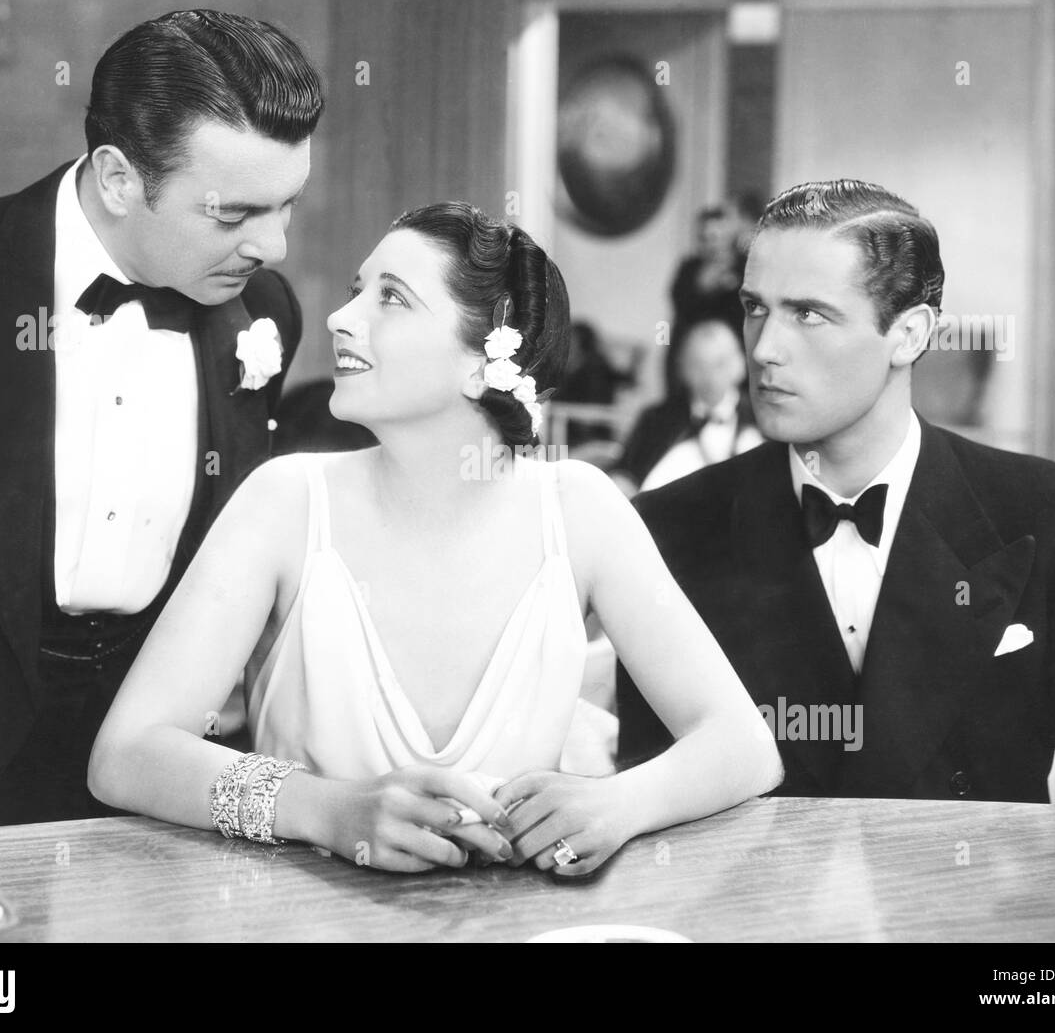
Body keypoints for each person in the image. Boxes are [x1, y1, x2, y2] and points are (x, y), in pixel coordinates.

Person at [89, 203, 783, 875]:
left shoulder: (579, 510)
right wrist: (324, 810)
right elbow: (126, 754)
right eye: (358, 290)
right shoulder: (286, 501)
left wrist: (616, 804)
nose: (339, 317)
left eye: (390, 298)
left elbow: (745, 746)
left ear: (483, 362)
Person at [0, 9, 324, 837]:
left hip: (150, 768)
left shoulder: (265, 314)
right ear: (117, 177)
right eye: (234, 215)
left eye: (287, 206)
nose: (275, 246)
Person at [617, 179, 1055, 809]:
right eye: (755, 308)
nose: (764, 350)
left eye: (809, 314)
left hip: (982, 901)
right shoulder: (669, 528)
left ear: (909, 334)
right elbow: (653, 803)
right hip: (755, 903)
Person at [614, 318, 762, 494]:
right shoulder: (657, 419)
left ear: (738, 365)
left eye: (719, 364)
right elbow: (627, 473)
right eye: (699, 365)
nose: (709, 376)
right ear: (685, 368)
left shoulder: (761, 417)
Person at [665, 193, 762, 400]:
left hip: (733, 358)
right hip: (693, 354)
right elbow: (676, 307)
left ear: (728, 236)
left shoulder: (746, 267)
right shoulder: (689, 269)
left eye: (716, 237)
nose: (711, 245)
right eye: (705, 238)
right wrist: (701, 286)